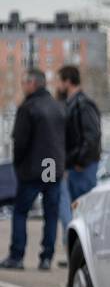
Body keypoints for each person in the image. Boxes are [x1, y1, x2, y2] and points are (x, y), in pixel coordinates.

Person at [2, 70, 66, 271]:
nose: (22, 86)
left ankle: (17, 256)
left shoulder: (28, 108)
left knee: (21, 212)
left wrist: (18, 166)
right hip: (52, 167)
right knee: (50, 213)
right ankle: (46, 257)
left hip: (32, 169)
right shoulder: (59, 107)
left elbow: (19, 142)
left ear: (33, 83)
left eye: (24, 82)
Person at [53, 65, 102, 263]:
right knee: (75, 212)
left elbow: (92, 136)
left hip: (82, 167)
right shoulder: (71, 104)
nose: (57, 85)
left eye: (59, 81)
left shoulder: (83, 104)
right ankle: (75, 253)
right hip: (75, 166)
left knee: (83, 212)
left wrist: (80, 161)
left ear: (67, 81)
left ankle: (83, 255)